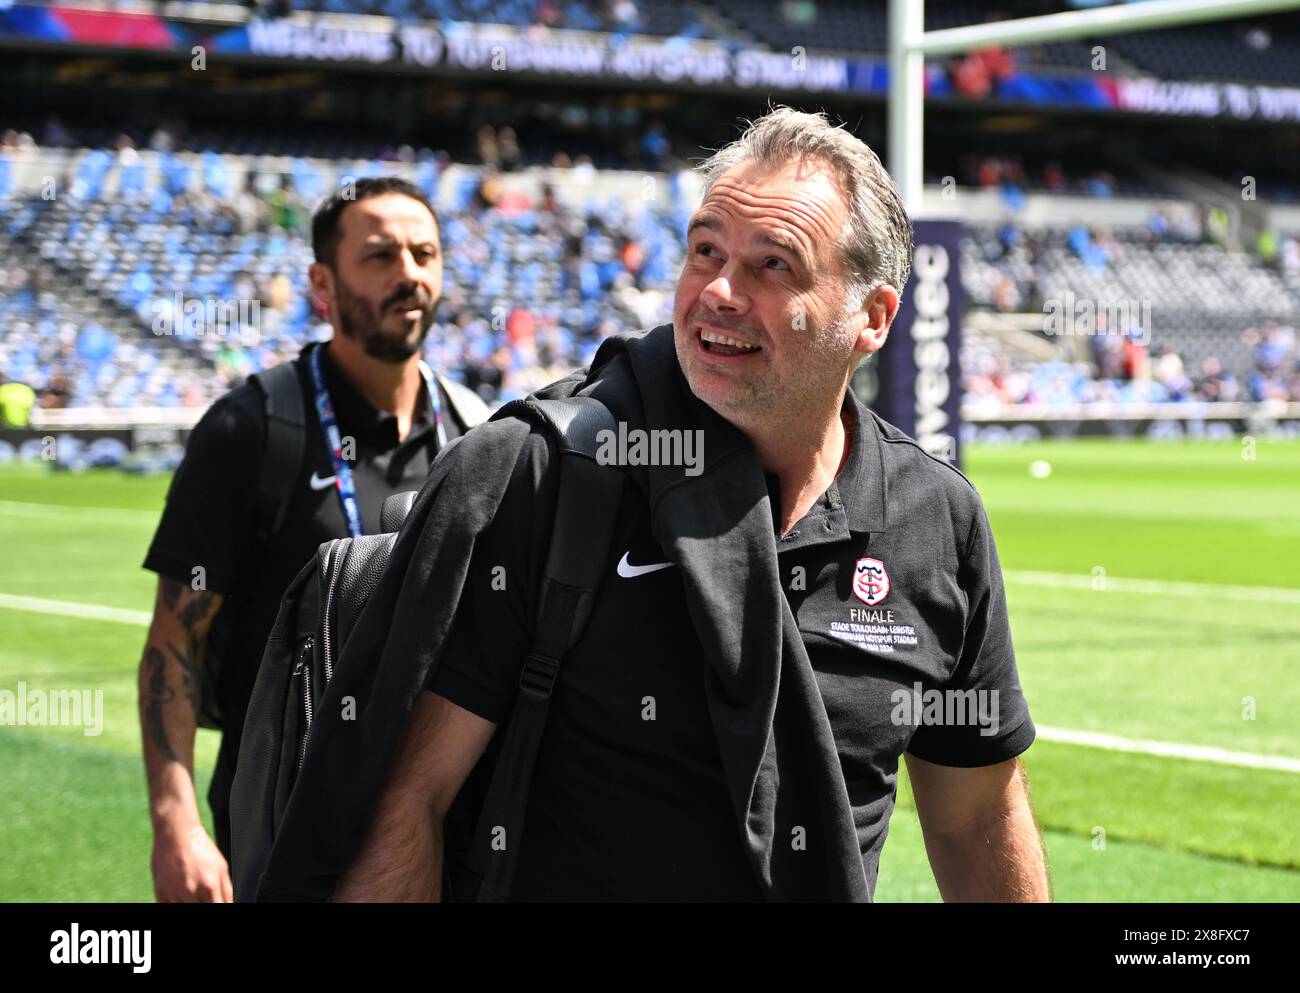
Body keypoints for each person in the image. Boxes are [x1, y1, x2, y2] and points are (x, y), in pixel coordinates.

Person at [332, 108, 1048, 902]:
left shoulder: (937, 518)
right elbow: (403, 804)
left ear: (872, 317)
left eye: (773, 265)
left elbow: (975, 813)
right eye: (705, 250)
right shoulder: (541, 473)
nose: (718, 292)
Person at [138, 176, 488, 903]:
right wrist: (175, 822)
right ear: (322, 284)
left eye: (424, 254)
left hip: (435, 823)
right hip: (279, 822)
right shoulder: (251, 429)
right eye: (380, 256)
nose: (409, 274)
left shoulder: (477, 434)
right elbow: (174, 644)